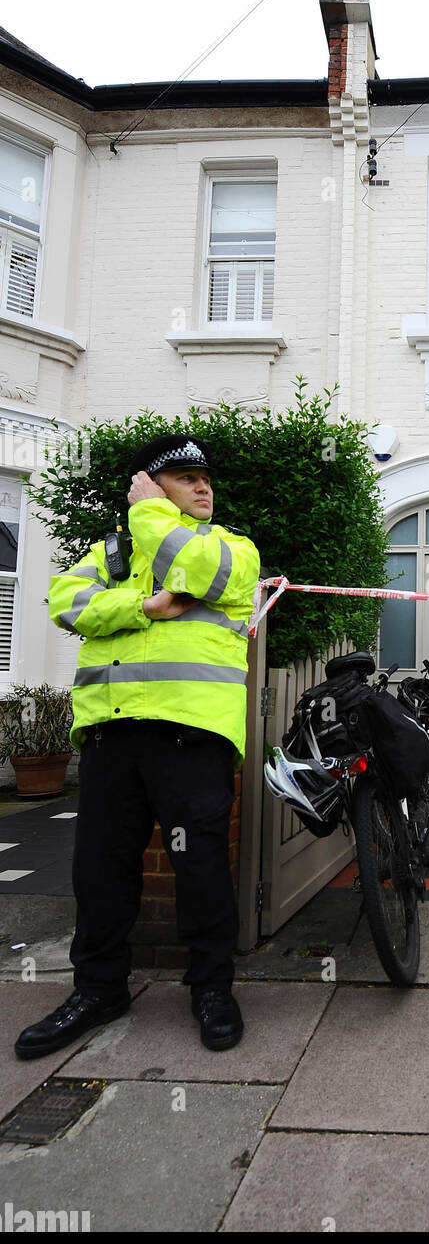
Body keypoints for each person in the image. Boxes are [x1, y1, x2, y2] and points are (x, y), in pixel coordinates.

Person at [14, 435, 260, 1059]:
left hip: (193, 730)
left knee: (200, 865)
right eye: (183, 477)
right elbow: (67, 604)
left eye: (206, 477)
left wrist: (151, 514)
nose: (203, 486)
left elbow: (212, 575)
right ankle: (98, 990)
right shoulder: (112, 553)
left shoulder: (229, 546)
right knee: (100, 866)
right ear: (147, 483)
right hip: (112, 731)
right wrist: (144, 605)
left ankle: (211, 988)